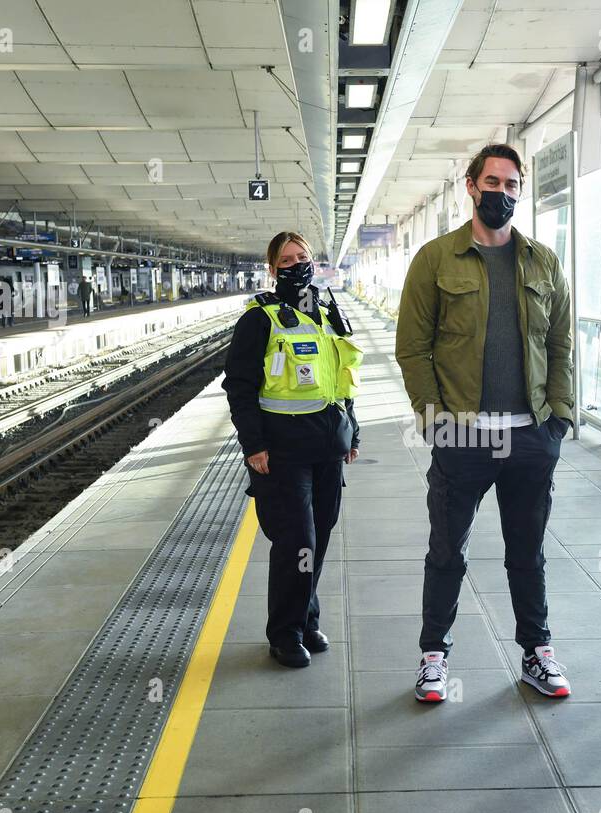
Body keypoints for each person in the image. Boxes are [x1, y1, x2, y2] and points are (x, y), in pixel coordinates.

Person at [396, 143, 575, 703]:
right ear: (470, 187)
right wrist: (434, 422)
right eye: (492, 182)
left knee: (528, 553)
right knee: (447, 550)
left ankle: (536, 653)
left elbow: (560, 343)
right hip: (464, 438)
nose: (502, 192)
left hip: (529, 435)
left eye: (511, 184)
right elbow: (413, 349)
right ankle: (433, 658)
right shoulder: (435, 259)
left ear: (521, 191)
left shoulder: (543, 262)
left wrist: (560, 420)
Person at [221, 231, 363, 667]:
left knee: (318, 538)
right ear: (272, 268)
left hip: (328, 445)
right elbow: (239, 387)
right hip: (282, 451)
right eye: (286, 259)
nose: (296, 263)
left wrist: (351, 431)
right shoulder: (258, 319)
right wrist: (253, 445)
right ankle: (284, 633)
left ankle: (305, 619)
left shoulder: (326, 312)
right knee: (296, 541)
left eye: (302, 256)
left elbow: (342, 379)